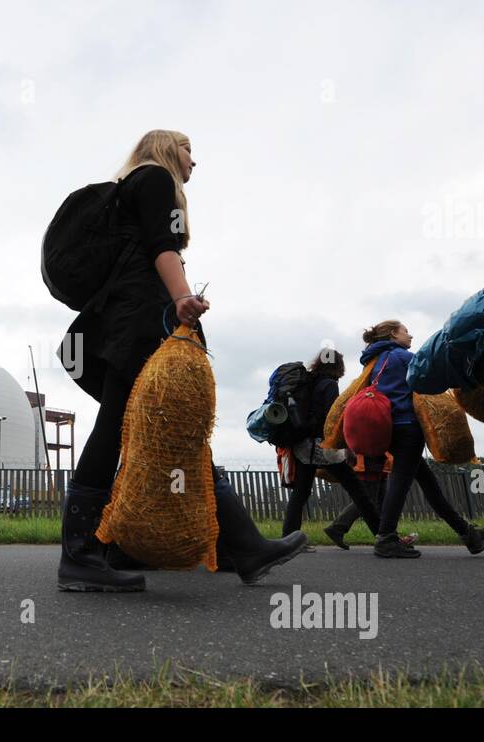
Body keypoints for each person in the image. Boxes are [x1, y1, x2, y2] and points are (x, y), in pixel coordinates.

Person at [56, 130, 306, 592]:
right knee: (117, 427)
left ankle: (236, 546)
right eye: (189, 149)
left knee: (172, 432)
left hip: (129, 319)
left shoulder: (135, 186)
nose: (195, 161)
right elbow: (162, 249)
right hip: (140, 321)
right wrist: (184, 299)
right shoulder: (154, 177)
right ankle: (80, 555)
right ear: (170, 149)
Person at [358, 320, 484, 558]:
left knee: (430, 486)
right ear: (393, 334)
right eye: (405, 331)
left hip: (391, 429)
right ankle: (386, 538)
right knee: (400, 484)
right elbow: (432, 375)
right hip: (408, 428)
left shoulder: (374, 362)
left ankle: (469, 535)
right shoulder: (402, 357)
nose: (410, 335)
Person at [279, 348, 382, 549]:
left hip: (303, 445)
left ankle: (289, 541)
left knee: (300, 494)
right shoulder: (329, 385)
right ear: (338, 366)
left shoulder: (309, 382)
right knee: (358, 491)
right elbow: (332, 419)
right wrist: (347, 447)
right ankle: (383, 534)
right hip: (322, 446)